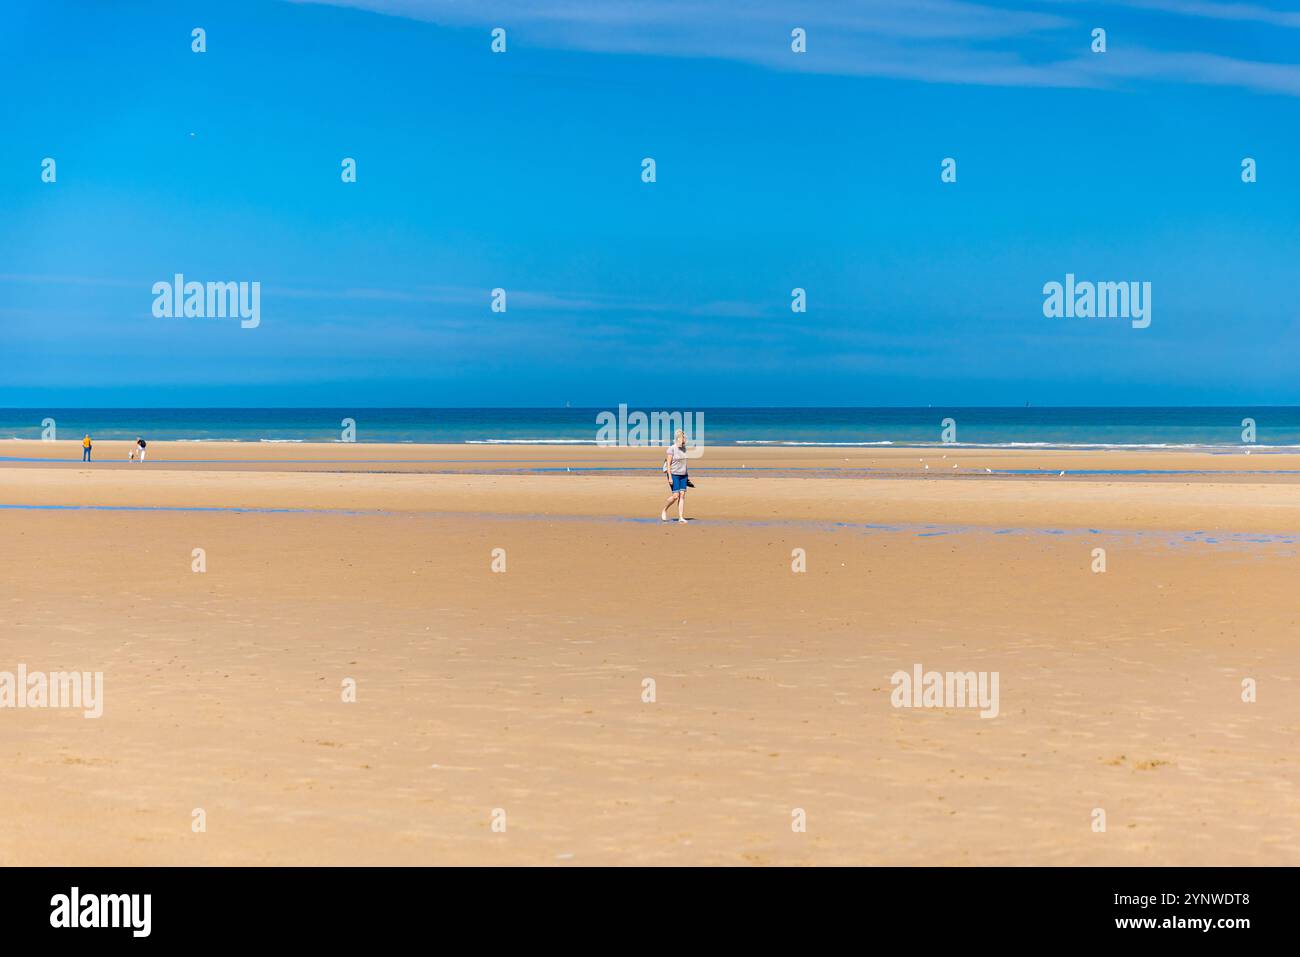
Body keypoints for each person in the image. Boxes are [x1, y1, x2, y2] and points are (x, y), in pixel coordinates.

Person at [661, 429, 691, 523]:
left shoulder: (684, 448)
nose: (685, 439)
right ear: (679, 438)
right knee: (675, 496)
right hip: (674, 474)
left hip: (683, 475)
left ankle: (681, 517)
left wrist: (687, 476)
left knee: (682, 495)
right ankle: (664, 509)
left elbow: (684, 463)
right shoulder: (672, 448)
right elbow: (668, 464)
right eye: (684, 437)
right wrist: (670, 477)